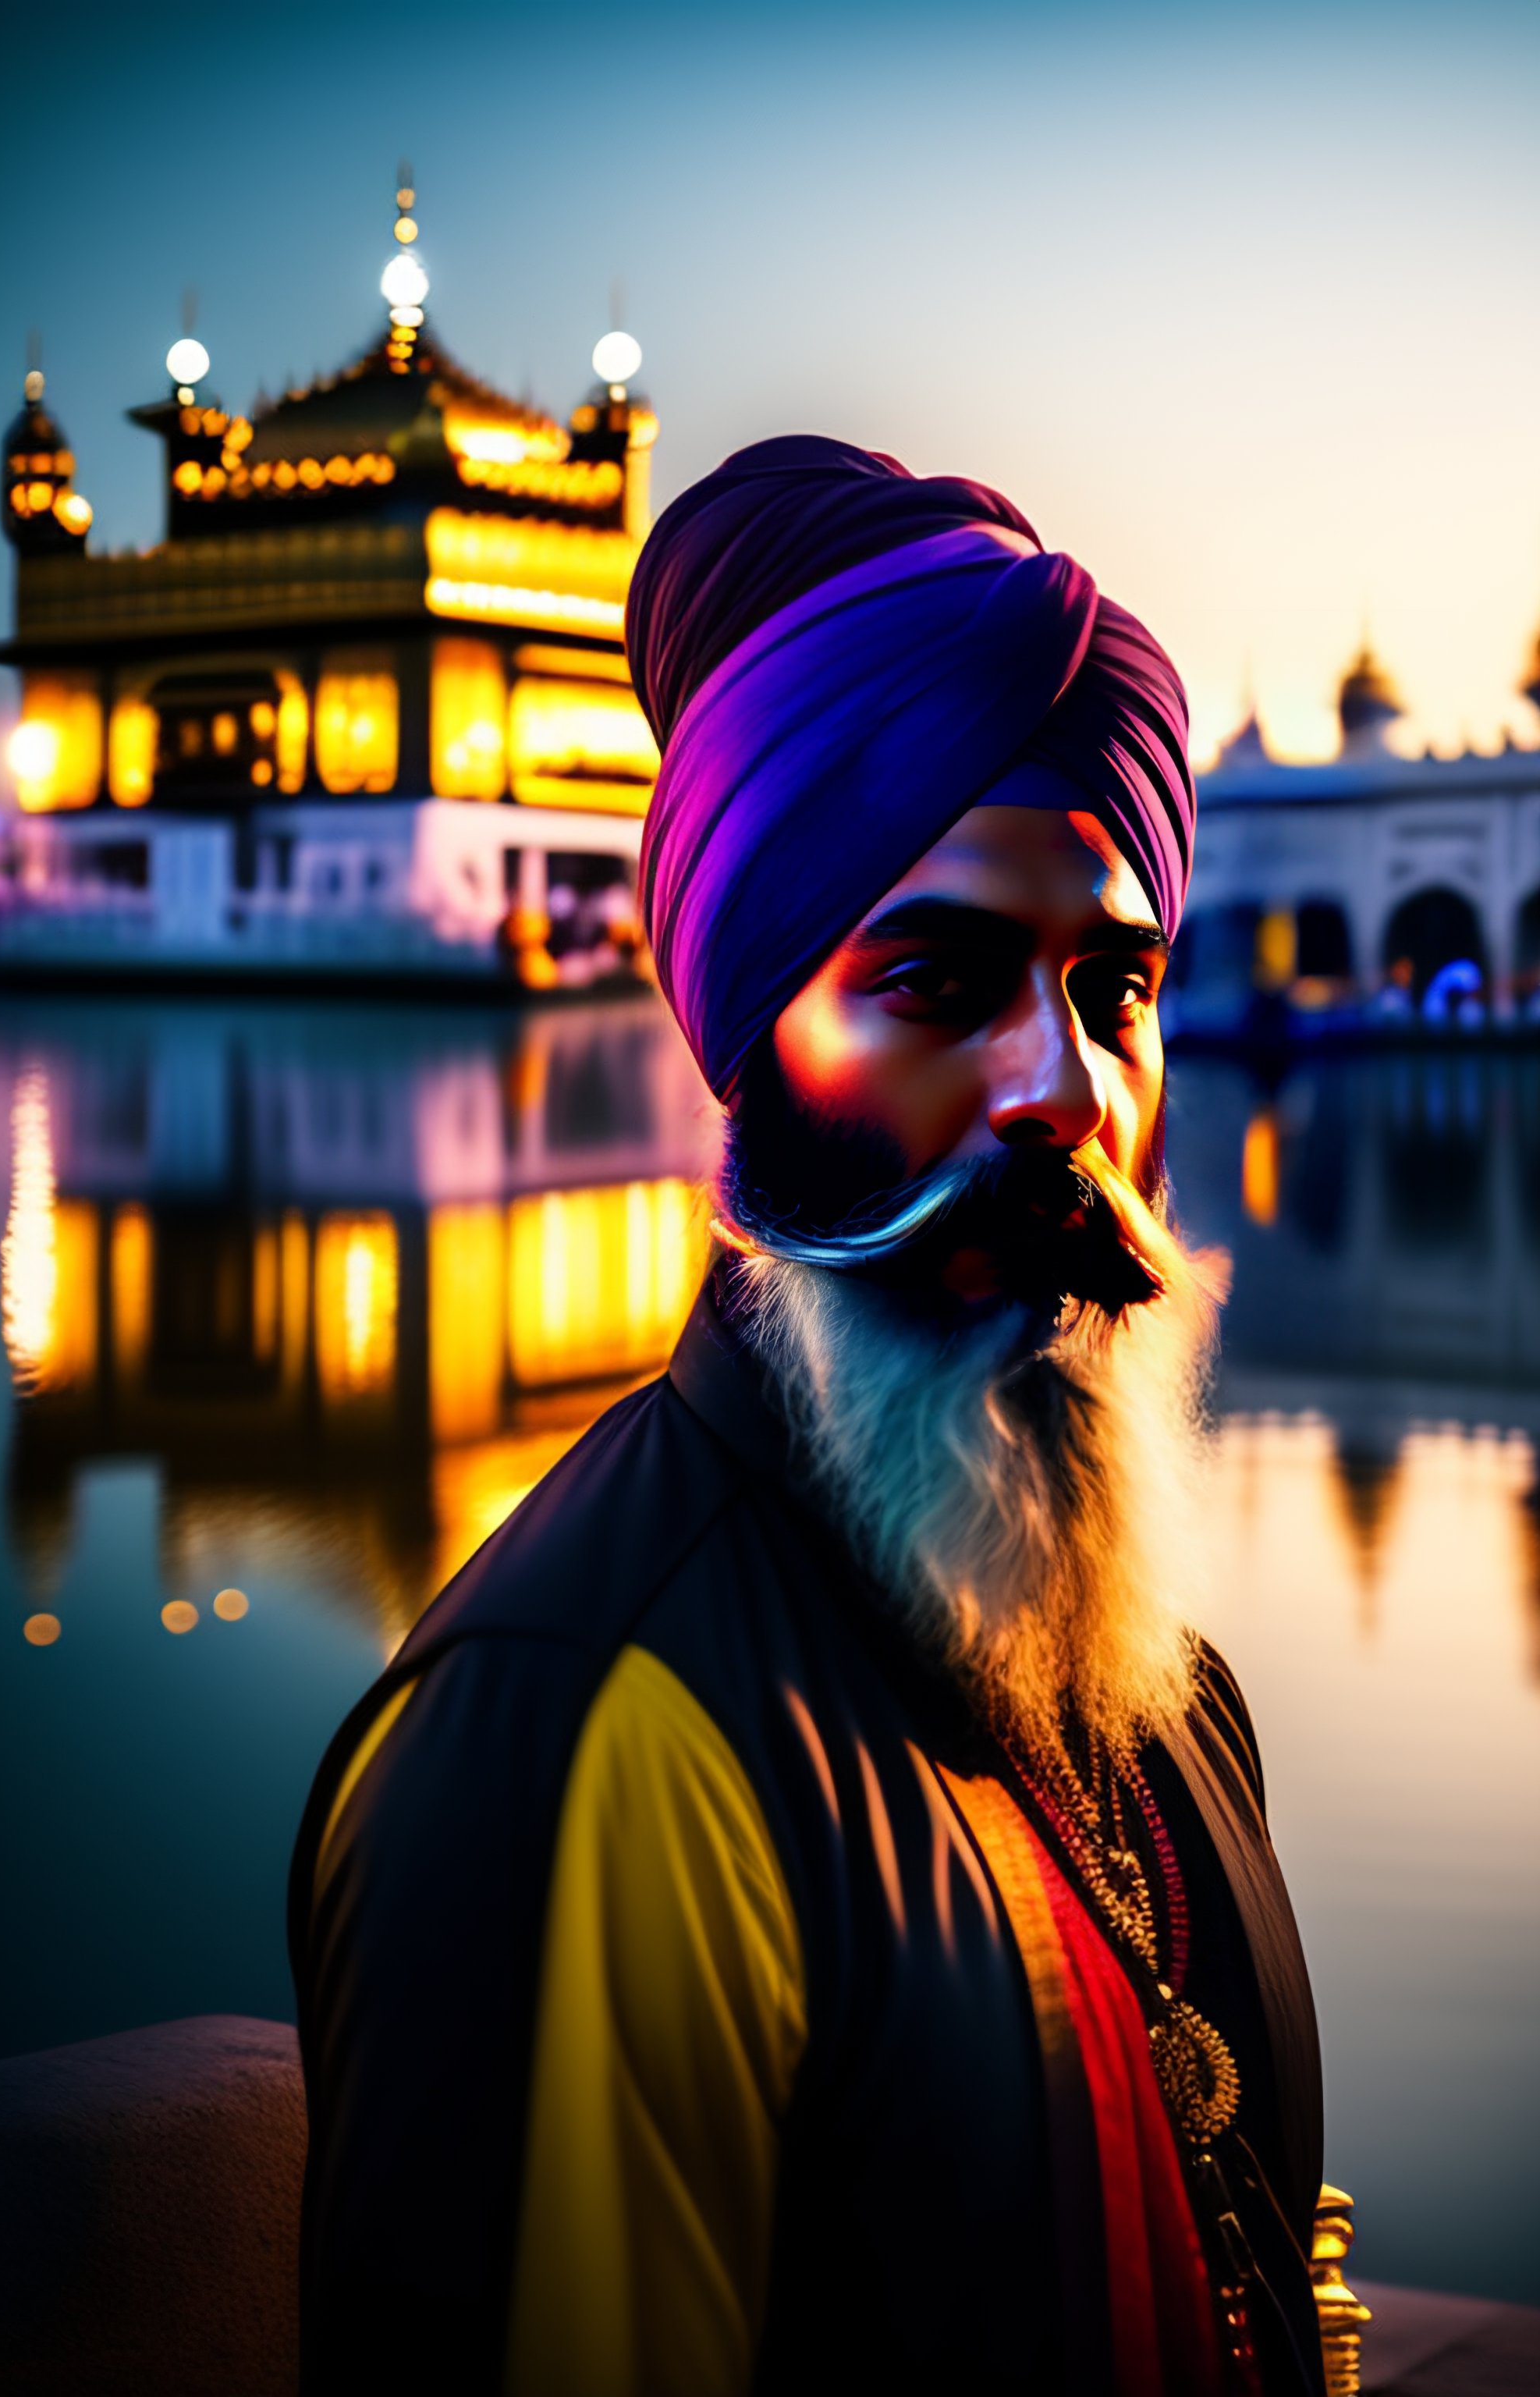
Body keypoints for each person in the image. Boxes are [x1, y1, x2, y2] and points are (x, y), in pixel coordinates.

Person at [290, 438, 1326, 2395]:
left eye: (1113, 986)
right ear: (750, 1047)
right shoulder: (583, 1729)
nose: (1064, 1095)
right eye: (935, 979)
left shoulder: (1158, 1686)